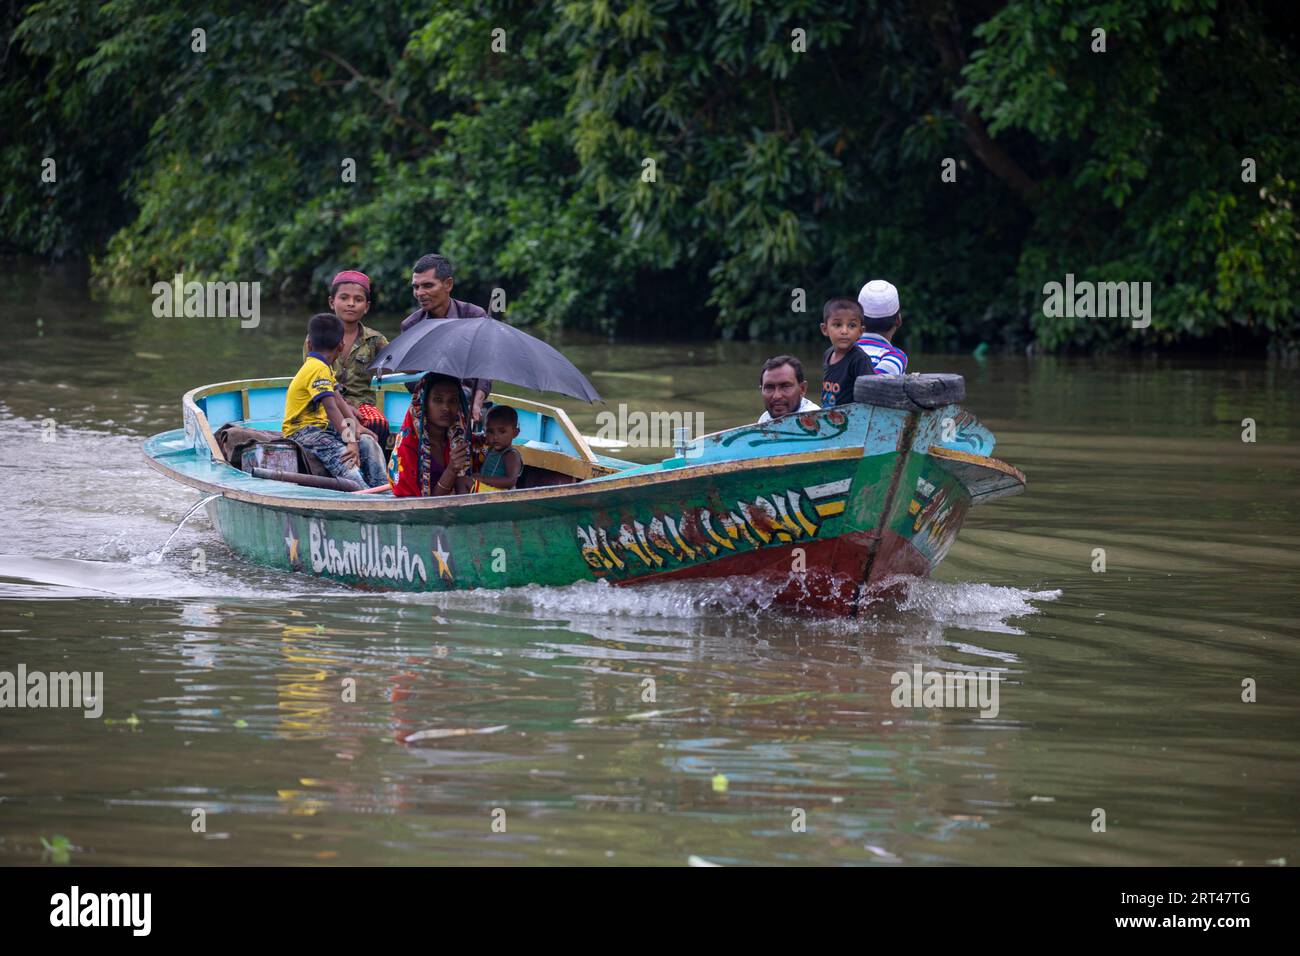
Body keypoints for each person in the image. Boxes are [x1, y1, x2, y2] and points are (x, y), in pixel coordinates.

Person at [283, 314, 389, 488]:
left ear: (309, 344)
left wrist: (357, 428)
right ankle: (364, 493)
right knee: (345, 457)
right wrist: (350, 441)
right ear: (341, 346)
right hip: (302, 431)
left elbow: (339, 401)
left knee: (368, 442)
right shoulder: (316, 369)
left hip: (322, 427)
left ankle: (382, 488)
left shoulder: (324, 367)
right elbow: (331, 408)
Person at [399, 253, 493, 426]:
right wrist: (433, 399)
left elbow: (485, 368)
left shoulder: (474, 316)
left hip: (468, 398)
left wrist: (477, 403)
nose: (420, 293)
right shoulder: (411, 325)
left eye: (427, 285)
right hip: (430, 399)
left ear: (448, 284)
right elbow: (410, 379)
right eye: (416, 287)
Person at [302, 270, 390, 447]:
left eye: (358, 300)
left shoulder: (375, 340)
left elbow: (396, 361)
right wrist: (344, 407)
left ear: (366, 306)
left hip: (362, 405)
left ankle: (372, 466)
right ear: (331, 302)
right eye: (344, 298)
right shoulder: (315, 339)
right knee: (319, 424)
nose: (351, 304)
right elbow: (312, 377)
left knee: (378, 424)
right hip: (325, 400)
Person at [388, 373, 475, 497]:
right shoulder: (407, 448)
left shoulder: (462, 441)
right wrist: (451, 470)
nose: (446, 408)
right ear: (424, 402)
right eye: (438, 400)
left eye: (453, 401)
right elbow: (416, 507)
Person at [820, 298, 874, 407]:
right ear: (825, 329)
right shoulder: (828, 353)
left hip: (851, 419)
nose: (844, 331)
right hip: (828, 415)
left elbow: (870, 395)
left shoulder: (859, 359)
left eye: (852, 326)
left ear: (860, 331)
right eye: (837, 325)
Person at [855, 279, 909, 375]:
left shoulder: (840, 353)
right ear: (898, 320)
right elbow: (874, 386)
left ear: (857, 321)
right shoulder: (895, 357)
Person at [471, 405, 523, 492]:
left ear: (515, 433)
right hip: (488, 490)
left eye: (502, 432)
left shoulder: (511, 455)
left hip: (499, 494)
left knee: (464, 482)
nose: (495, 437)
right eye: (490, 432)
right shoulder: (491, 448)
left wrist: (483, 479)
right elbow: (484, 439)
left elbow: (511, 481)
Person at [758, 355, 821, 423]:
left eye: (785, 386)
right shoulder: (764, 419)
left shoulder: (817, 421)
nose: (776, 396)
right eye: (769, 387)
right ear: (761, 390)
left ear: (802, 389)